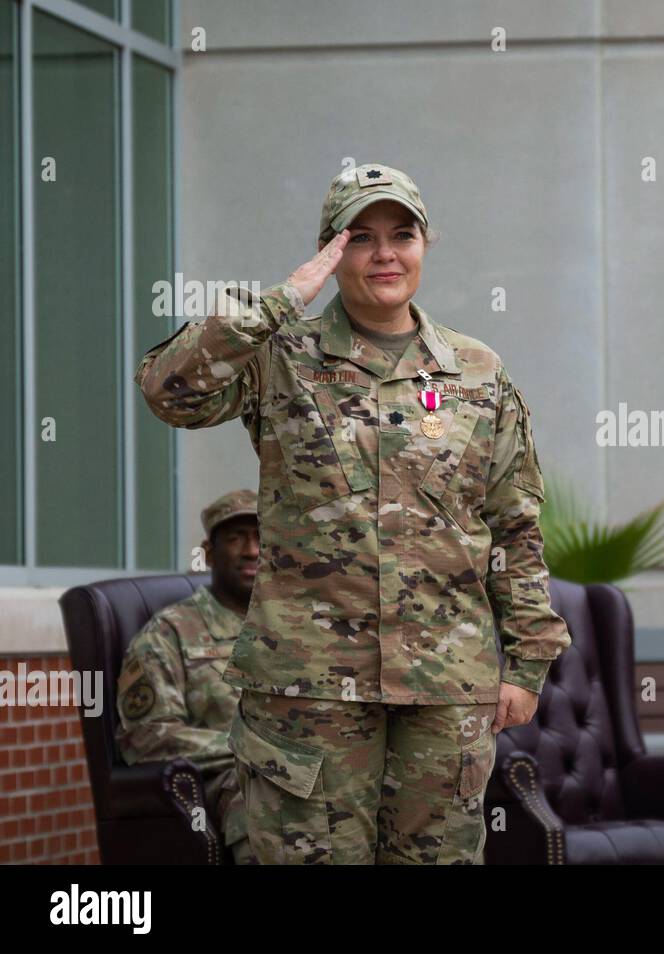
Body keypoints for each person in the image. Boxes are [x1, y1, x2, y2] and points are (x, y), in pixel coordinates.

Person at [134, 162, 571, 864]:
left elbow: (513, 525)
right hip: (308, 691)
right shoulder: (279, 356)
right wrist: (283, 299)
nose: (385, 254)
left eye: (402, 234)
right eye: (361, 238)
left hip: (443, 689)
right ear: (332, 251)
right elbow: (168, 390)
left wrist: (526, 665)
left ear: (425, 244)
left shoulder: (476, 370)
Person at [116, 489, 260, 864]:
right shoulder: (170, 633)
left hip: (315, 772)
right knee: (265, 798)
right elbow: (148, 737)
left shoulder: (299, 628)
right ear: (209, 553)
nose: (252, 550)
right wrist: (254, 751)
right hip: (233, 781)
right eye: (236, 538)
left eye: (263, 538)